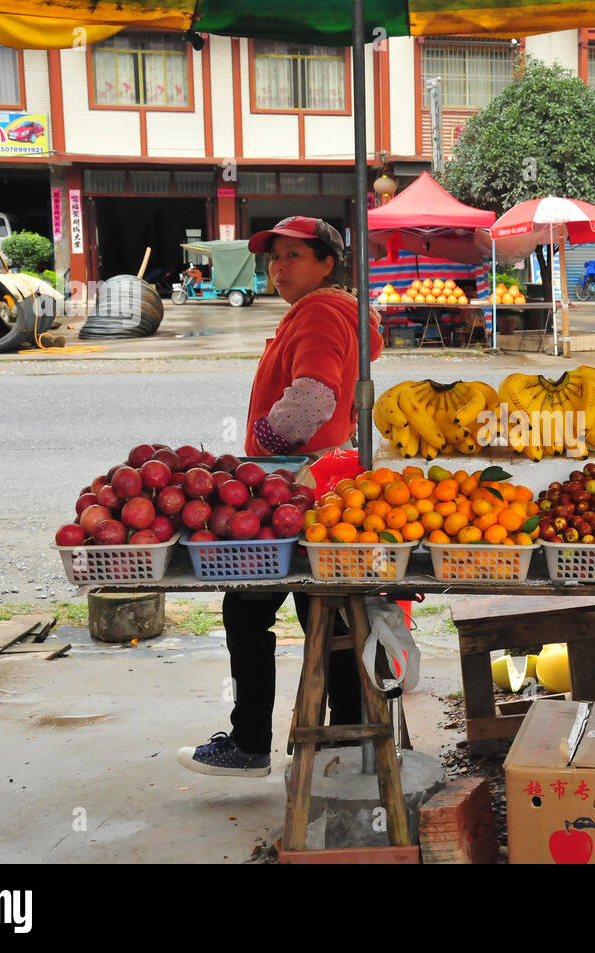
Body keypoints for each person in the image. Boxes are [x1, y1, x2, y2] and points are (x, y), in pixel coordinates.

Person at [178, 216, 384, 777]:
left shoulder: (319, 310)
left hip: (291, 488)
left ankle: (249, 745)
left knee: (247, 606)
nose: (279, 265)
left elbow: (312, 400)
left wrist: (257, 461)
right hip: (325, 487)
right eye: (274, 256)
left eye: (295, 254)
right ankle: (344, 745)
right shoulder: (342, 310)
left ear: (327, 264)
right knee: (327, 612)